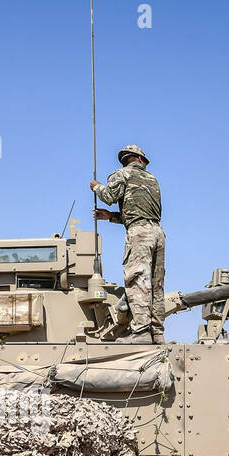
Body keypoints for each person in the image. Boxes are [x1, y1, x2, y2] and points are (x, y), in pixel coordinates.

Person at [90, 144, 165, 344]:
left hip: (138, 234)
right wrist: (112, 217)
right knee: (156, 285)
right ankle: (157, 333)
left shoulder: (122, 174)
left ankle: (141, 332)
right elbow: (140, 212)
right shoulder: (152, 180)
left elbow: (108, 197)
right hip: (157, 232)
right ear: (141, 159)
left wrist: (96, 187)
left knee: (137, 280)